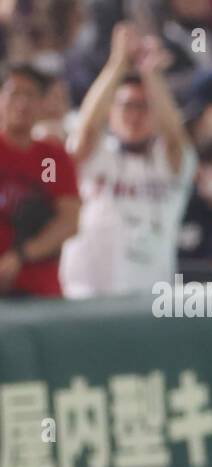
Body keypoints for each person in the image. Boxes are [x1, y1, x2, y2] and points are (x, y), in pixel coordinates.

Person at [58, 24, 195, 298]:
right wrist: (117, 63)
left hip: (149, 300)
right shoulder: (97, 154)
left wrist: (151, 73)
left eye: (144, 106)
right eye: (127, 105)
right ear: (111, 112)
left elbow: (174, 135)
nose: (135, 115)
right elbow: (86, 129)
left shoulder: (170, 160)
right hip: (84, 294)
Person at [0, 64, 80, 297]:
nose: (22, 103)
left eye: (31, 95)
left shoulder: (51, 160)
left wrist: (21, 255)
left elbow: (69, 220)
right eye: (14, 93)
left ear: (42, 103)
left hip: (38, 290)